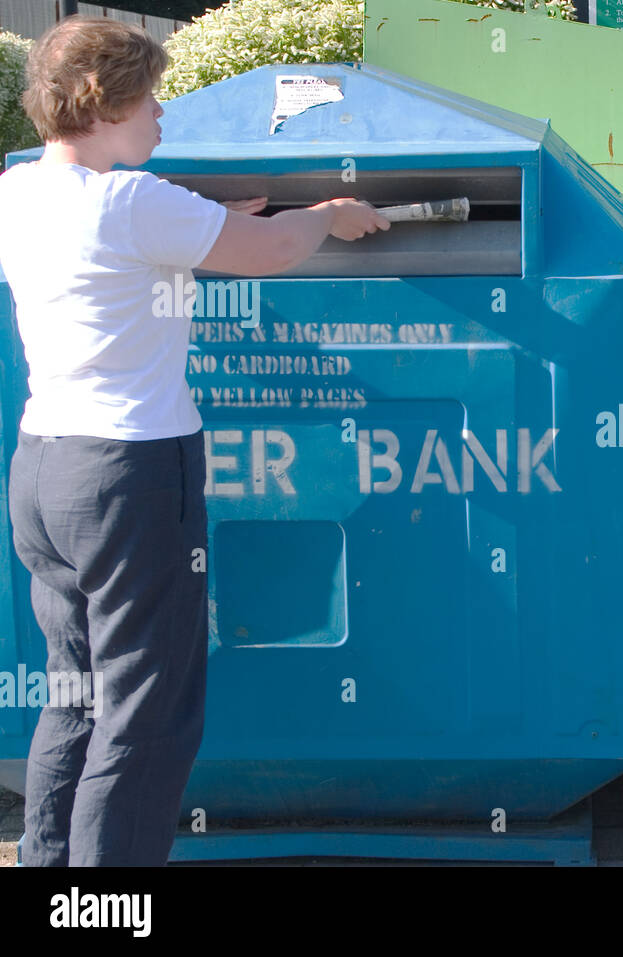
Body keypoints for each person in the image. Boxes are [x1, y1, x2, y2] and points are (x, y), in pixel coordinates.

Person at [0, 15, 389, 866]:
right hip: (130, 478)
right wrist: (328, 212)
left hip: (43, 474)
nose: (163, 118)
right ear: (105, 103)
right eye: (151, 101)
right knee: (145, 712)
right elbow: (274, 248)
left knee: (76, 694)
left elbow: (125, 249)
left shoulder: (19, 189)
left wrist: (204, 217)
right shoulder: (134, 203)